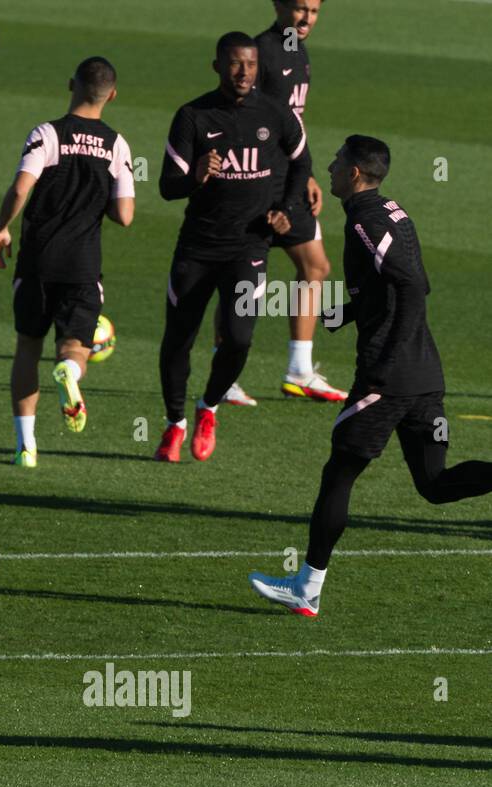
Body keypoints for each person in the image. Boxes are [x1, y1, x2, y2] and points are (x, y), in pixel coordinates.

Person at [249, 136, 492, 616]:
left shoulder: (365, 220)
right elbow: (393, 285)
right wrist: (348, 311)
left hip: (390, 378)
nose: (333, 166)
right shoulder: (392, 211)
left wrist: (387, 358)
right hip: (425, 373)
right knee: (435, 484)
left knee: (339, 471)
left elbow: (413, 286)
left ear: (356, 173)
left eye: (339, 161)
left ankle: (308, 586)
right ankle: (307, 586)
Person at [154, 31, 311, 463]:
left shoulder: (275, 114)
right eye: (236, 64)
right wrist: (196, 176)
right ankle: (174, 424)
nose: (244, 72)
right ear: (218, 66)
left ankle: (207, 409)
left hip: (249, 248)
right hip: (197, 249)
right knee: (178, 340)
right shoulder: (193, 116)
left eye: (251, 64)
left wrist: (286, 209)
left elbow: (302, 161)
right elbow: (168, 187)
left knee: (239, 340)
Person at [0, 56, 135, 467]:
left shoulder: (47, 133)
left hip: (37, 262)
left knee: (28, 348)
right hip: (83, 265)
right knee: (75, 347)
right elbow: (124, 215)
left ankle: (26, 447)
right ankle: (70, 370)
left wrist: (2, 228)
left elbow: (21, 188)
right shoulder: (117, 144)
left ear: (71, 84)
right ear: (113, 94)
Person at [223, 0, 347, 408]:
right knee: (242, 277)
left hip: (288, 179)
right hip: (259, 180)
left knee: (315, 267)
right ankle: (224, 376)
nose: (306, 18)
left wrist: (305, 173)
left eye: (313, 10)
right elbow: (243, 116)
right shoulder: (261, 52)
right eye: (299, 9)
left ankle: (299, 370)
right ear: (278, 5)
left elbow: (293, 120)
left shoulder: (297, 48)